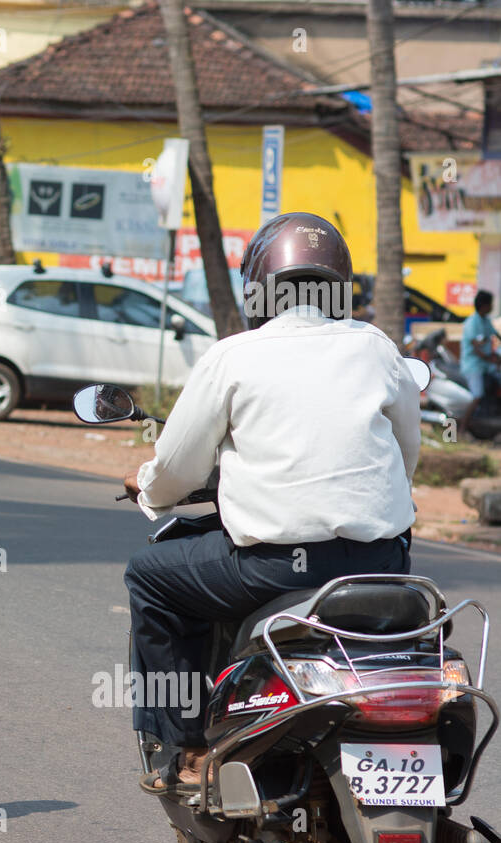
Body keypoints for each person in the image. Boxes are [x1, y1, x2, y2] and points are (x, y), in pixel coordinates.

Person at [121, 212, 420, 793]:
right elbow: (405, 457)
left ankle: (185, 747)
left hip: (270, 569)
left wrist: (150, 488)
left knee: (149, 576)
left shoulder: (234, 356)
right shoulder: (378, 349)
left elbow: (178, 467)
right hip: (385, 565)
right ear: (340, 287)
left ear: (258, 288)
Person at [458, 290, 498, 436]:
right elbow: (477, 349)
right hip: (473, 366)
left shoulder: (486, 321)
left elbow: (496, 334)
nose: (492, 306)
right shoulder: (471, 323)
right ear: (483, 305)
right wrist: (492, 359)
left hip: (486, 366)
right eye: (490, 304)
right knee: (478, 395)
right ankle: (462, 428)